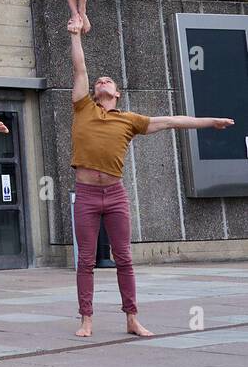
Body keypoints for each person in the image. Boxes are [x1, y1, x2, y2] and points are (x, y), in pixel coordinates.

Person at [66, 21, 233, 338]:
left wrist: (210, 122)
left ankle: (132, 318)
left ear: (117, 93)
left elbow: (171, 121)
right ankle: (86, 319)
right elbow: (80, 69)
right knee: (85, 260)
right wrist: (75, 36)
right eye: (98, 81)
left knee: (124, 258)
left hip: (115, 195)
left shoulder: (130, 120)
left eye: (108, 80)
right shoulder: (83, 107)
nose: (101, 81)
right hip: (86, 194)